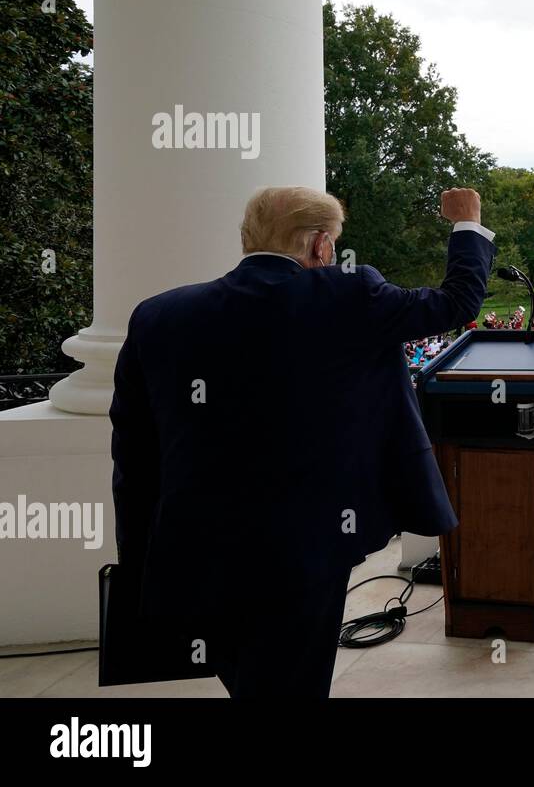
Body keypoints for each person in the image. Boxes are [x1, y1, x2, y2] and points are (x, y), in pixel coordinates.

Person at [109, 186, 495, 698]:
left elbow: (133, 452)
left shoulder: (158, 315)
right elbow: (457, 302)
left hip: (194, 541)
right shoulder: (349, 294)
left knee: (248, 676)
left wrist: (140, 556)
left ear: (249, 238)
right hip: (305, 547)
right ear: (321, 247)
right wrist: (467, 223)